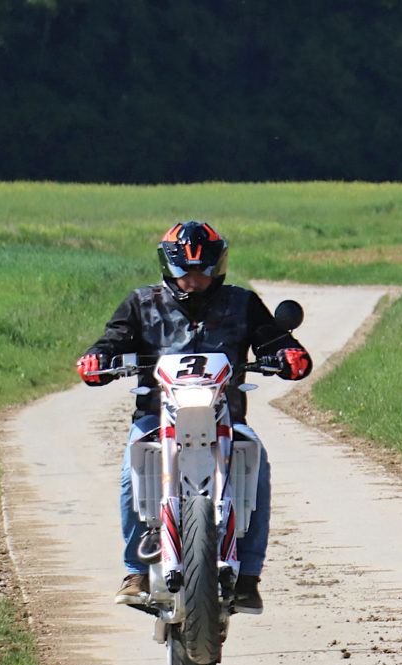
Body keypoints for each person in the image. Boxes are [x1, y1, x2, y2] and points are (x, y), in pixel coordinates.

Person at [74, 221, 312, 611]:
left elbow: (275, 338)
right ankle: (135, 570)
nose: (194, 280)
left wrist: (289, 354)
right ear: (169, 267)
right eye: (185, 272)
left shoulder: (242, 302)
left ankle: (249, 575)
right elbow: (112, 339)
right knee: (129, 470)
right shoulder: (141, 303)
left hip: (225, 417)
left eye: (203, 272)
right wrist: (97, 358)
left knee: (259, 463)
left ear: (218, 268)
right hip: (157, 416)